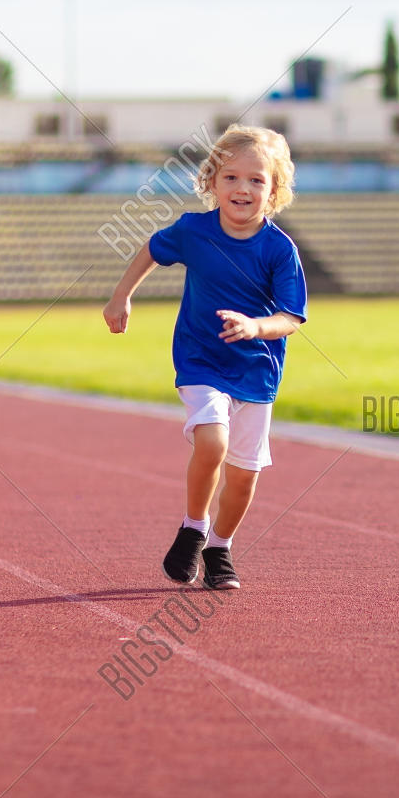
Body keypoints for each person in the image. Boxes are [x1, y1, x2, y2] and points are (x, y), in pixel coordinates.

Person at [102, 124, 307, 590]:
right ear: (212, 181)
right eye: (231, 177)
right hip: (200, 360)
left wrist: (256, 327)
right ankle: (193, 529)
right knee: (211, 443)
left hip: (256, 372)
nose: (242, 188)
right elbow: (151, 250)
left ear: (274, 190)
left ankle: (220, 546)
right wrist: (121, 298)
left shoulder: (279, 249)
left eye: (257, 180)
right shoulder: (193, 230)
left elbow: (292, 316)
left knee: (242, 479)